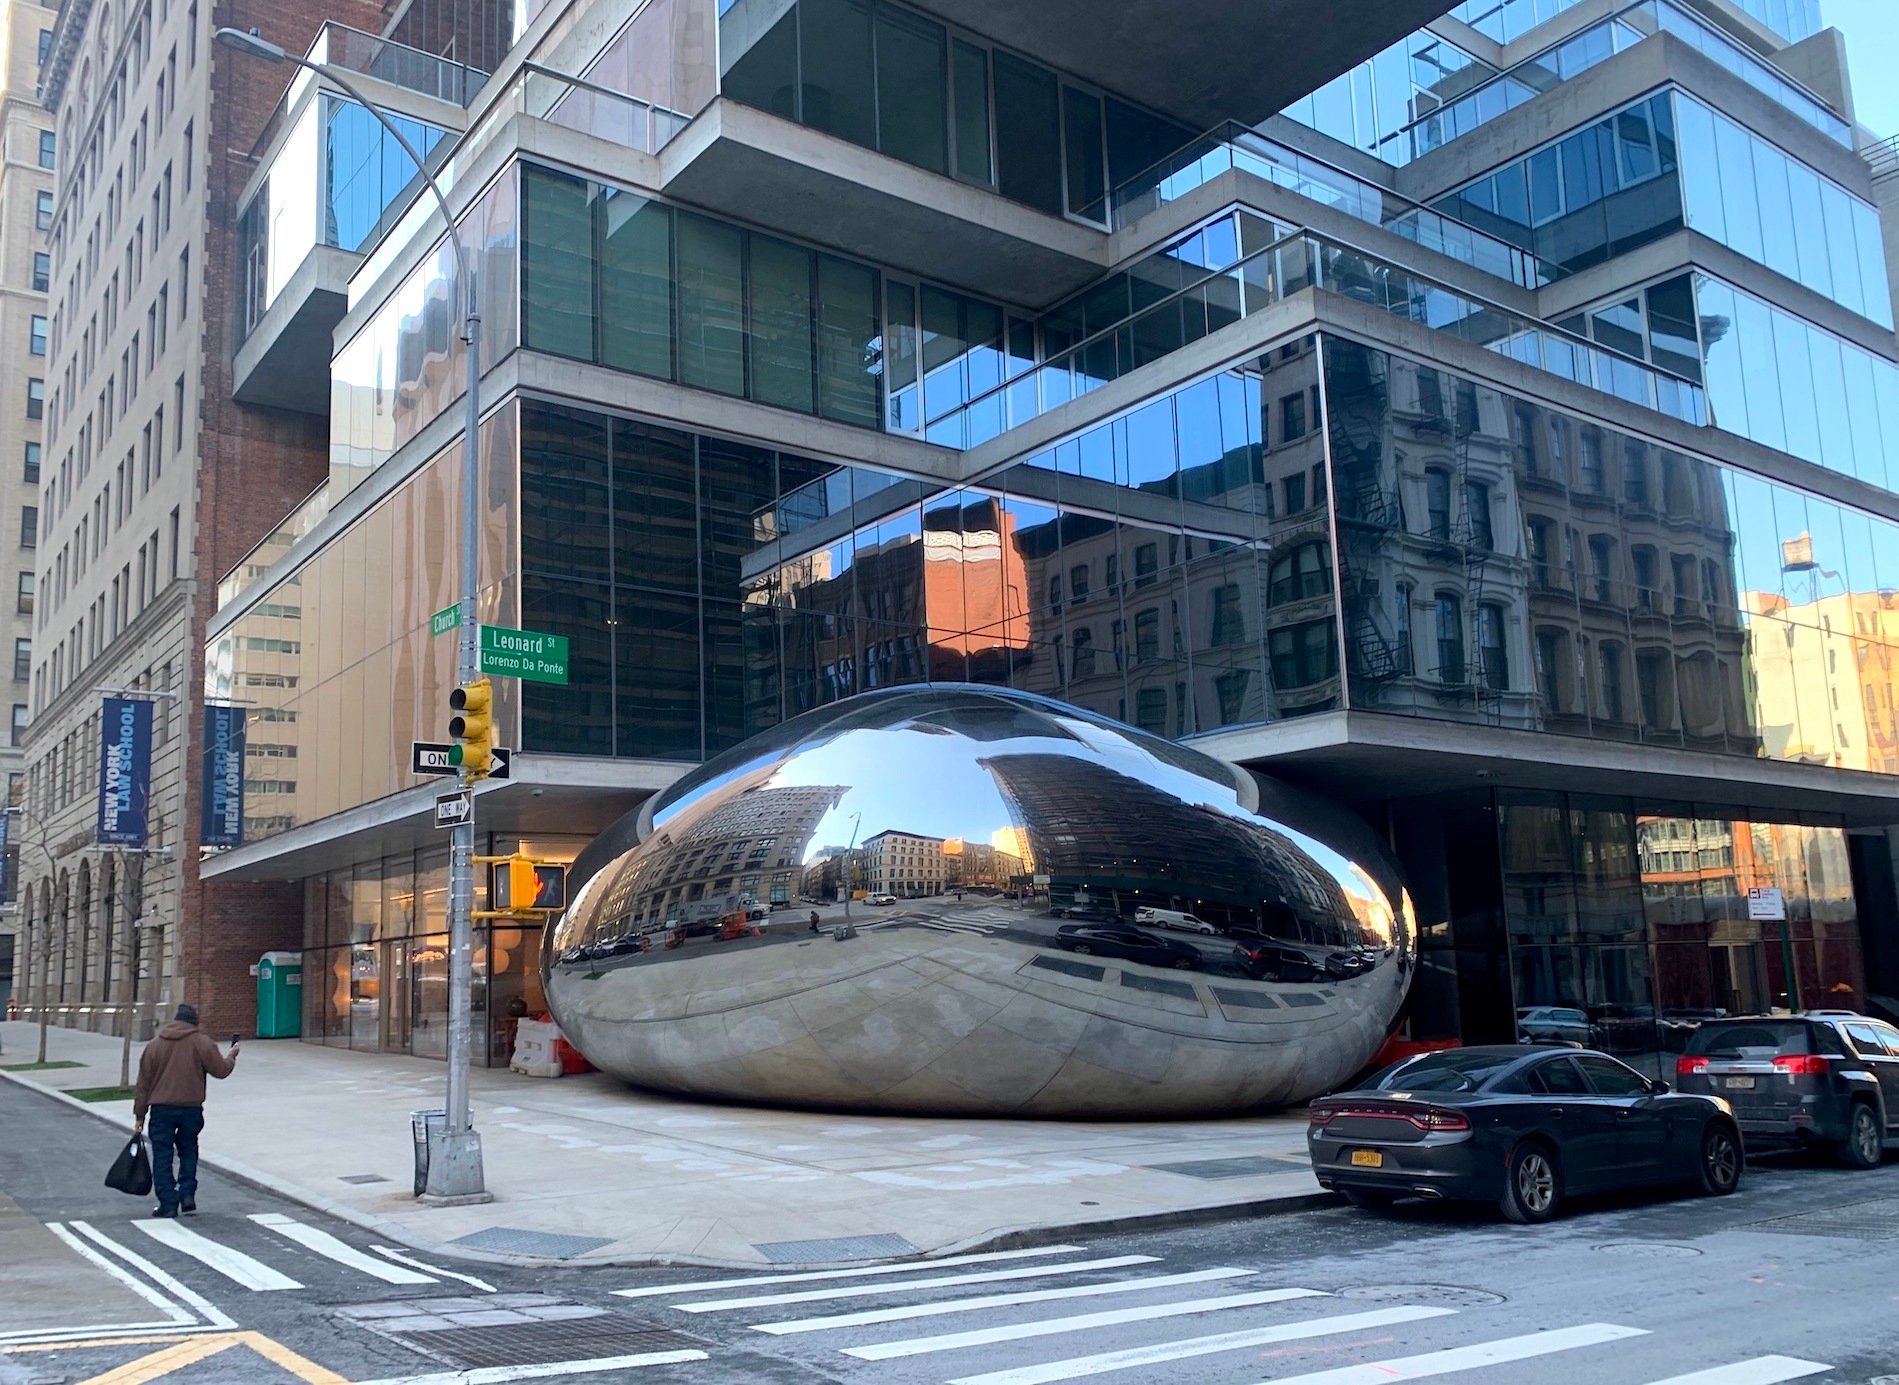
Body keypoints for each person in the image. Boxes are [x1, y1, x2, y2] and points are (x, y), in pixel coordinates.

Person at [133, 1004, 239, 1219]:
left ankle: (168, 1202)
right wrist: (232, 1056)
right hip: (191, 1108)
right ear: (194, 1021)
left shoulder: (154, 1045)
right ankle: (188, 1195)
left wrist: (140, 1115)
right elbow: (221, 1071)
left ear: (175, 1020)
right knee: (189, 1149)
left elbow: (143, 1084)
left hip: (161, 1109)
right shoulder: (202, 1043)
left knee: (162, 1155)